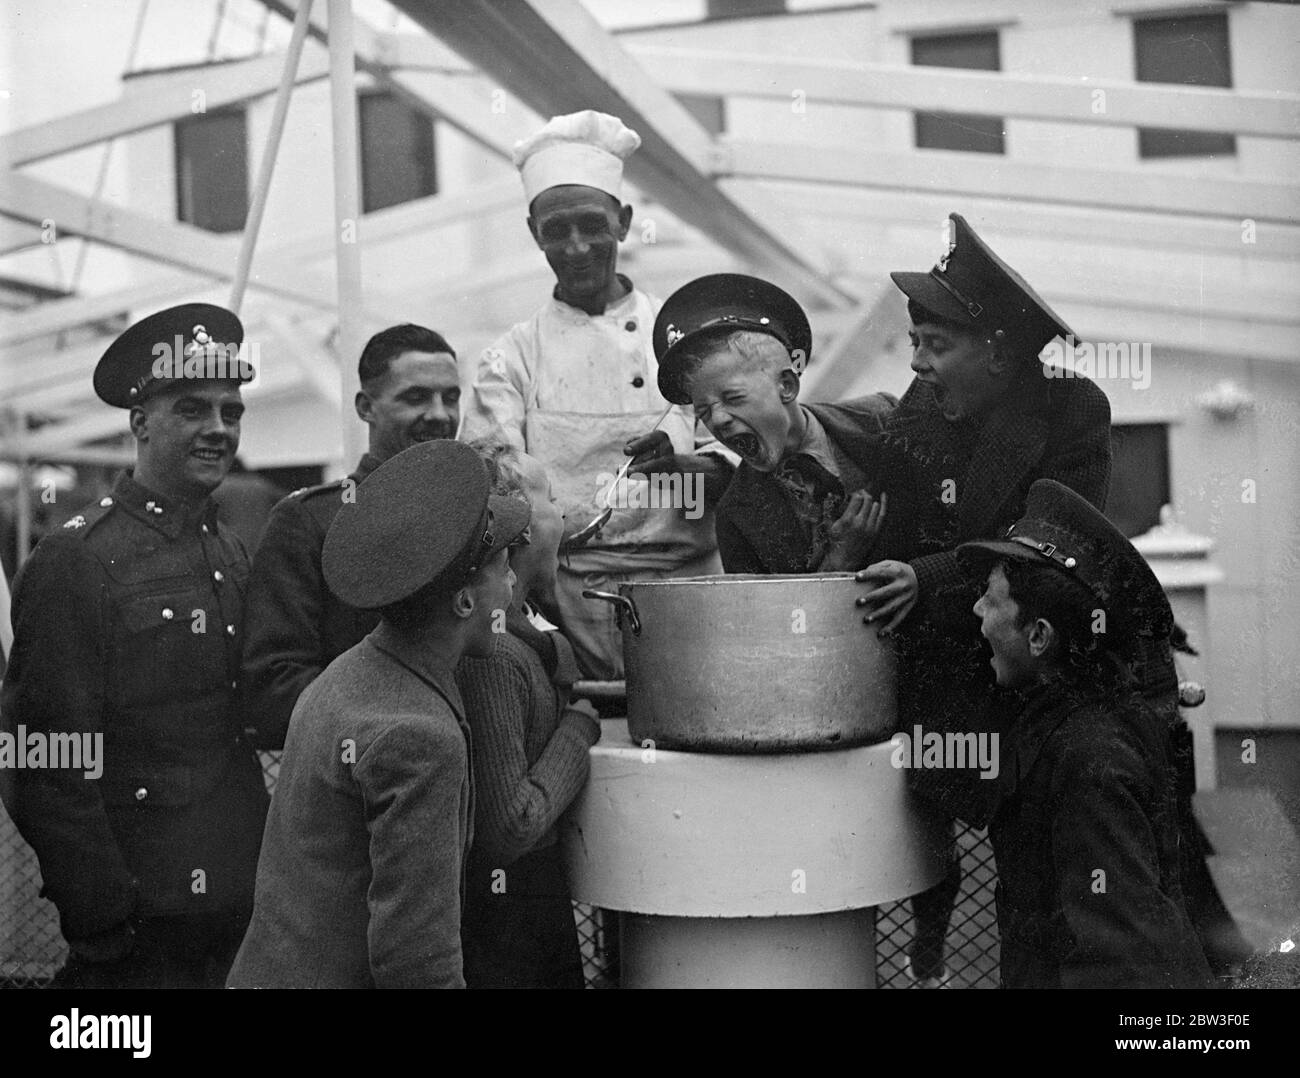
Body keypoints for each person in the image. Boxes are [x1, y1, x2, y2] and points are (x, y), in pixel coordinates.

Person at [855, 213, 1113, 987]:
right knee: (918, 862)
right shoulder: (922, 406)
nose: (919, 364)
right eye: (914, 345)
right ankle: (926, 971)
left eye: (937, 346)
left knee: (1043, 878)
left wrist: (926, 576)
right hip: (940, 685)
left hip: (1033, 685)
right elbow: (889, 515)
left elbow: (1046, 546)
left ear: (999, 352)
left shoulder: (1073, 411)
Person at [1, 304, 269, 988]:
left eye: (230, 412)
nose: (217, 429)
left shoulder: (228, 552)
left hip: (236, 912)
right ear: (140, 421)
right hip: (141, 933)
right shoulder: (77, 559)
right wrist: (103, 921)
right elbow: (44, 762)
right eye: (192, 409)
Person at [226, 440, 527, 989]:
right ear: (463, 602)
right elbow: (416, 960)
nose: (511, 587)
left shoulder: (350, 673)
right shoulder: (418, 735)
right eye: (503, 569)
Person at [460, 110, 734, 680]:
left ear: (625, 222)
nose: (577, 246)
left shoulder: (684, 338)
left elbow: (744, 457)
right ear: (534, 231)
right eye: (556, 230)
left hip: (694, 594)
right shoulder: (508, 359)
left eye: (592, 224)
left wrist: (687, 466)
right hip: (567, 606)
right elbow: (493, 489)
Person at [957, 479, 1214, 988]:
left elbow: (1122, 955)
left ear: (1038, 636)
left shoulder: (1087, 759)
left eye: (990, 598)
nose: (977, 612)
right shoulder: (1074, 714)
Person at [240, 323, 461, 748]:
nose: (439, 414)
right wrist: (401, 717)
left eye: (450, 397)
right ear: (365, 407)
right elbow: (275, 685)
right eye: (415, 397)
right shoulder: (309, 521)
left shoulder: (469, 514)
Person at [457, 442, 601, 988]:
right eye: (552, 498)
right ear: (516, 522)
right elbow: (507, 827)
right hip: (505, 916)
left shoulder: (519, 632)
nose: (563, 515)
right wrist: (578, 729)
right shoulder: (491, 658)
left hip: (532, 901)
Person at [652, 272, 896, 575]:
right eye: (703, 411)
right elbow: (770, 619)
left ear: (787, 386)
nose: (717, 420)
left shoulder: (883, 419)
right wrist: (838, 563)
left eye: (733, 397)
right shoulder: (735, 517)